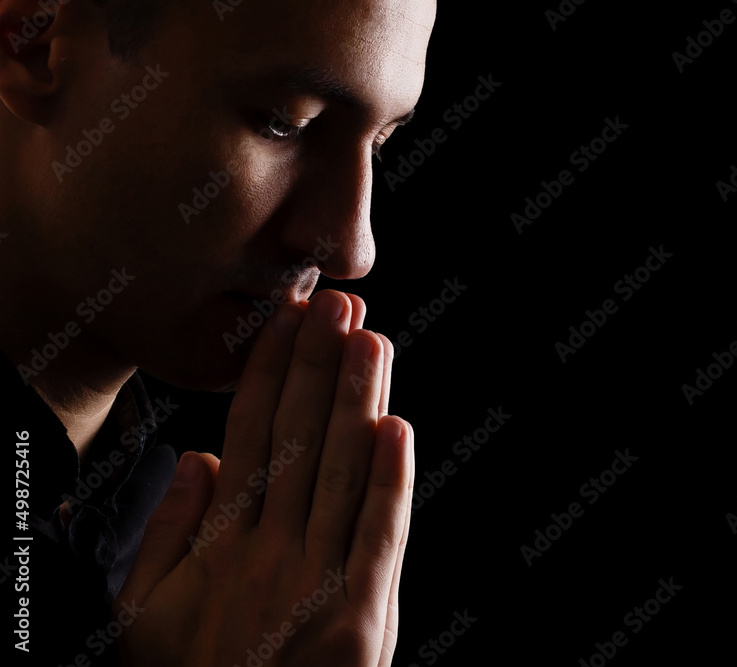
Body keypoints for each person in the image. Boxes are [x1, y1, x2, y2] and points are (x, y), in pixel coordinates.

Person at [0, 0, 435, 664]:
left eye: (381, 143)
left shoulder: (201, 563)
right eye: (285, 122)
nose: (354, 248)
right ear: (31, 43)